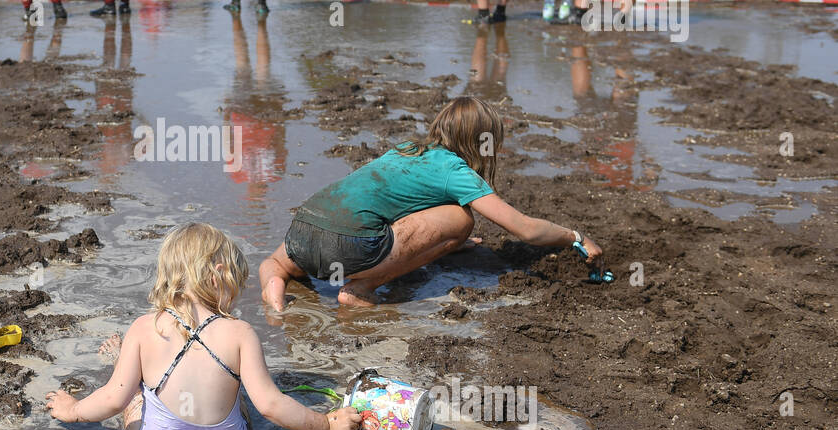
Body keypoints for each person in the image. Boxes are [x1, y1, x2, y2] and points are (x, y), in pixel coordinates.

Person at [44, 223, 362, 430]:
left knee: (132, 399)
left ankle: (128, 365)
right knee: (242, 390)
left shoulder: (144, 328)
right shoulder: (240, 332)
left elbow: (112, 399)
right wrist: (327, 425)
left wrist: (73, 410)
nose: (236, 296)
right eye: (235, 284)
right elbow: (271, 405)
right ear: (218, 274)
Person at [258, 96, 604, 310]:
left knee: (276, 265)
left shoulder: (406, 149)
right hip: (350, 243)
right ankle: (361, 288)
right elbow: (525, 229)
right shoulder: (456, 171)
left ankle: (275, 293)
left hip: (305, 226)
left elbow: (397, 206)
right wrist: (575, 235)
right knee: (461, 219)